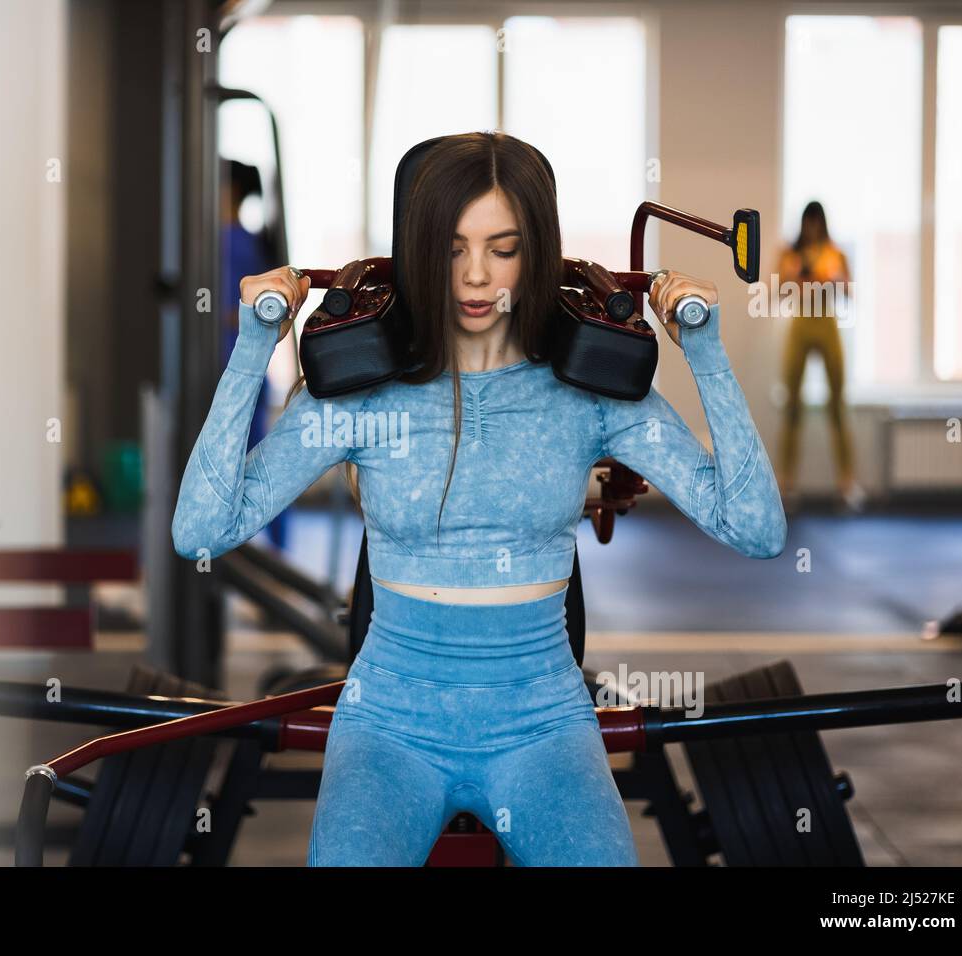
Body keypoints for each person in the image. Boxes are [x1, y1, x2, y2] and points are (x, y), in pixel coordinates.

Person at [173, 131, 786, 866]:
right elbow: (200, 532)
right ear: (420, 249)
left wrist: (706, 353)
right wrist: (253, 346)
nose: (475, 276)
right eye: (453, 248)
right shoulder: (364, 388)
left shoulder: (590, 390)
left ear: (539, 250)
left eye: (503, 248)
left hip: (544, 725)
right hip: (389, 727)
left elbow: (756, 530)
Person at [776, 200, 866, 513]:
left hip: (826, 325)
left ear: (822, 222)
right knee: (791, 404)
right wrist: (797, 278)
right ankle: (786, 482)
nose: (812, 226)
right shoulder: (790, 253)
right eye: (808, 220)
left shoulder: (835, 252)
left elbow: (848, 292)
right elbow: (779, 291)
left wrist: (831, 281)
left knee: (838, 403)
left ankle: (847, 482)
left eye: (817, 220)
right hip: (801, 325)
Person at [220, 158, 290, 549]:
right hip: (242, 376)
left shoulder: (227, 241)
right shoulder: (242, 241)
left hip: (233, 375)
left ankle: (273, 556)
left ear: (229, 191)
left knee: (252, 474)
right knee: (258, 471)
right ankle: (275, 553)